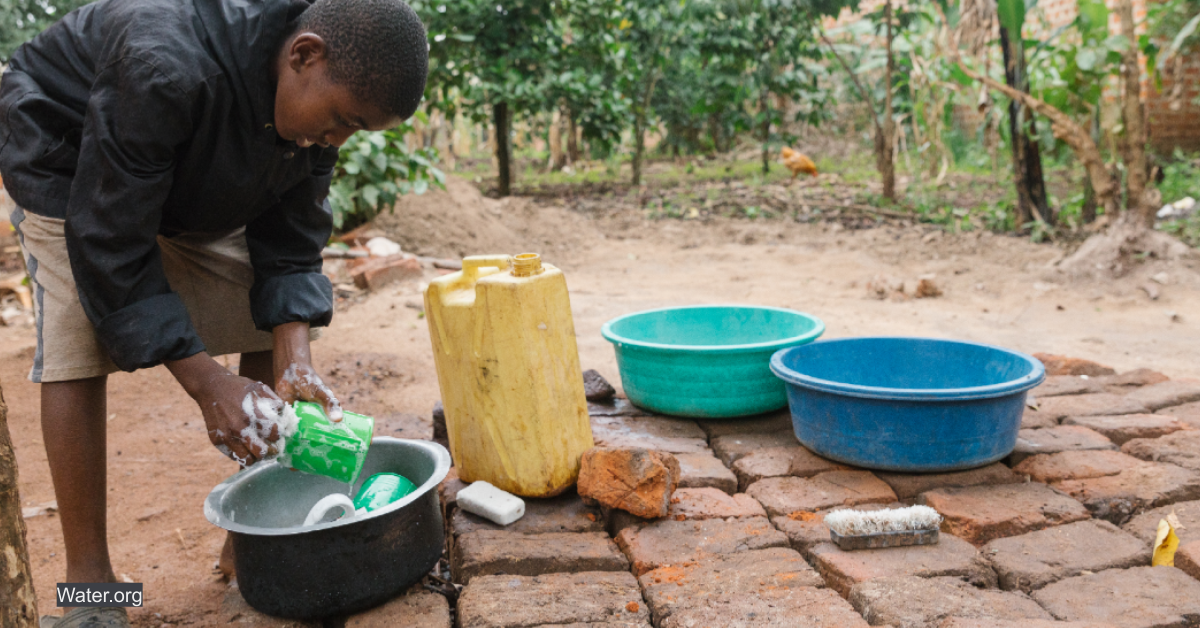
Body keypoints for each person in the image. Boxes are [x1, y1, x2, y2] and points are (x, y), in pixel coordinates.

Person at [0, 0, 428, 624]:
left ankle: (255, 545)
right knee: (78, 337)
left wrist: (295, 359)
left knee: (264, 306)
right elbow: (111, 238)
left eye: (354, 131)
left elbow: (289, 240)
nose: (337, 140)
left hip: (183, 167)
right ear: (303, 55)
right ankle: (90, 586)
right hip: (69, 158)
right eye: (340, 120)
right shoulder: (163, 65)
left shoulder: (313, 101)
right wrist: (209, 383)